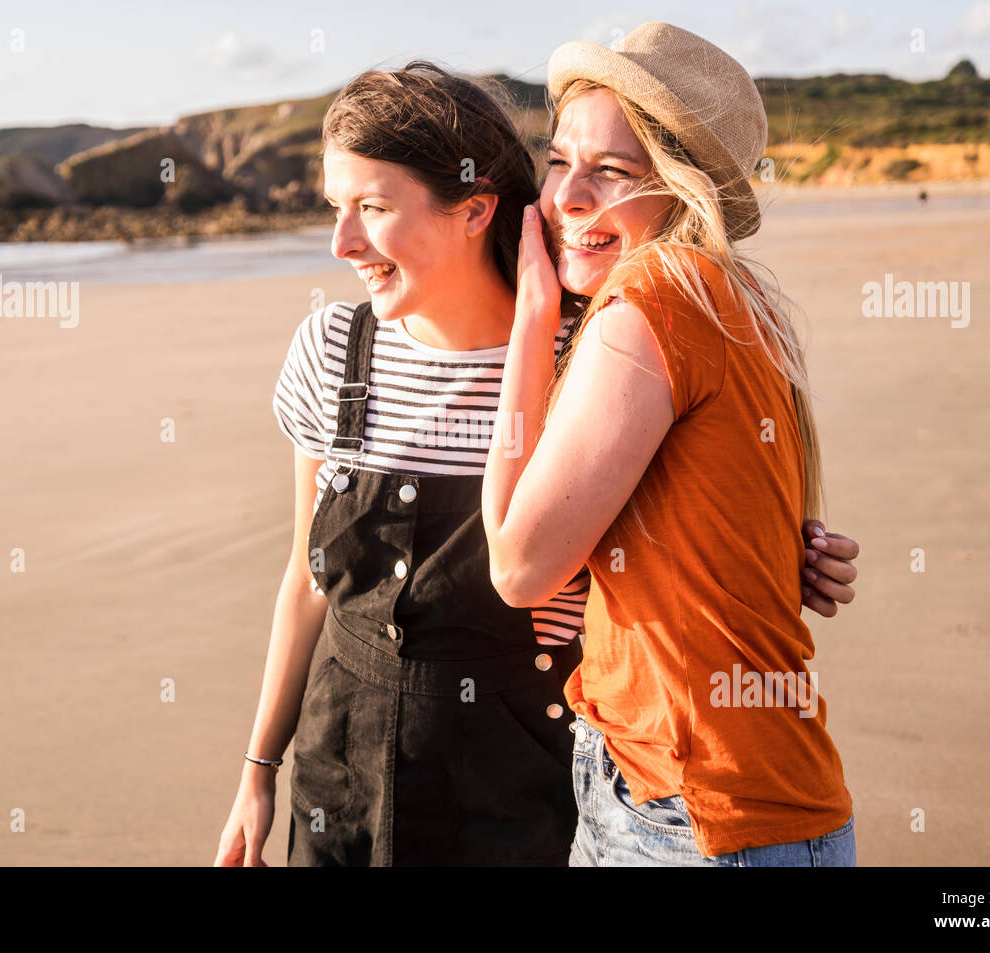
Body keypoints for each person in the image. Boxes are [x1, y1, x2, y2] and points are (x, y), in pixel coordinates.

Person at [214, 60, 858, 868]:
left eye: (373, 209)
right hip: (339, 785)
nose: (341, 243)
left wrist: (784, 549)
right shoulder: (332, 352)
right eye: (336, 208)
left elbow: (678, 513)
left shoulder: (591, 351)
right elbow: (306, 578)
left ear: (477, 208)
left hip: (531, 798)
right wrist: (258, 769)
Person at [483, 23, 858, 866]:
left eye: (611, 171)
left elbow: (516, 566)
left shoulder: (654, 298)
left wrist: (532, 315)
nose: (567, 197)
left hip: (692, 819)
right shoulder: (742, 302)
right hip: (730, 801)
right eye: (559, 160)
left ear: (684, 190)